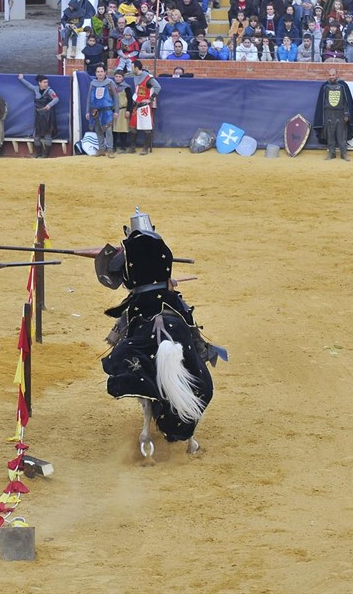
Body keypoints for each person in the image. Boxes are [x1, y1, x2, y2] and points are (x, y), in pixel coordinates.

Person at [98, 210, 217, 444]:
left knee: (126, 323)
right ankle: (200, 347)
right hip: (167, 298)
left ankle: (114, 342)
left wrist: (114, 255)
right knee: (187, 319)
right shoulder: (162, 246)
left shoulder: (127, 250)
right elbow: (165, 274)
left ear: (129, 231)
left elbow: (119, 277)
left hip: (142, 305)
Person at [312, 68, 353, 162]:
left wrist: (346, 114)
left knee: (341, 135)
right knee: (330, 135)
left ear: (337, 75)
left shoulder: (343, 86)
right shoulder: (325, 86)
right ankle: (331, 153)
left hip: (340, 113)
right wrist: (323, 116)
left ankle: (344, 153)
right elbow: (322, 102)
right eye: (330, 75)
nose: (331, 77)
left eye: (333, 75)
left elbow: (346, 101)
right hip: (328, 113)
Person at [17, 74, 59, 159]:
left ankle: (46, 154)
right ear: (39, 83)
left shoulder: (50, 91)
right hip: (39, 115)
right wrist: (21, 79)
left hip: (48, 116)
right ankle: (38, 153)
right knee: (36, 135)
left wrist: (49, 105)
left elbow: (56, 99)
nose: (46, 84)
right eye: (44, 82)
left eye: (47, 82)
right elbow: (29, 85)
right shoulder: (36, 89)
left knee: (48, 134)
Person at [129, 59, 161, 156]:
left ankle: (145, 149)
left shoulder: (148, 78)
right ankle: (132, 147)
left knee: (147, 128)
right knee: (133, 127)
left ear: (136, 68)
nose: (131, 68)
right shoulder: (135, 76)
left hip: (144, 106)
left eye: (132, 67)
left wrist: (150, 99)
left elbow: (158, 87)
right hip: (136, 104)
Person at [86, 64, 116, 158]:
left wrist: (116, 111)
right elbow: (89, 98)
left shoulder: (110, 83)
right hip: (95, 111)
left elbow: (116, 97)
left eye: (101, 71)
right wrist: (87, 111)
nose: (100, 73)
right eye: (98, 72)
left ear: (105, 72)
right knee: (98, 130)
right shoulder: (92, 83)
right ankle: (101, 149)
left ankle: (110, 149)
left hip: (107, 111)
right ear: (95, 73)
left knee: (108, 131)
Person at [111, 69, 135, 154]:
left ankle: (123, 147)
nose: (117, 78)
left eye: (119, 77)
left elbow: (130, 100)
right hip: (114, 111)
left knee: (123, 130)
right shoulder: (112, 87)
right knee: (114, 130)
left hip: (123, 110)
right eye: (116, 76)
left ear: (123, 78)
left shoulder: (126, 87)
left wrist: (128, 110)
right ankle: (113, 147)